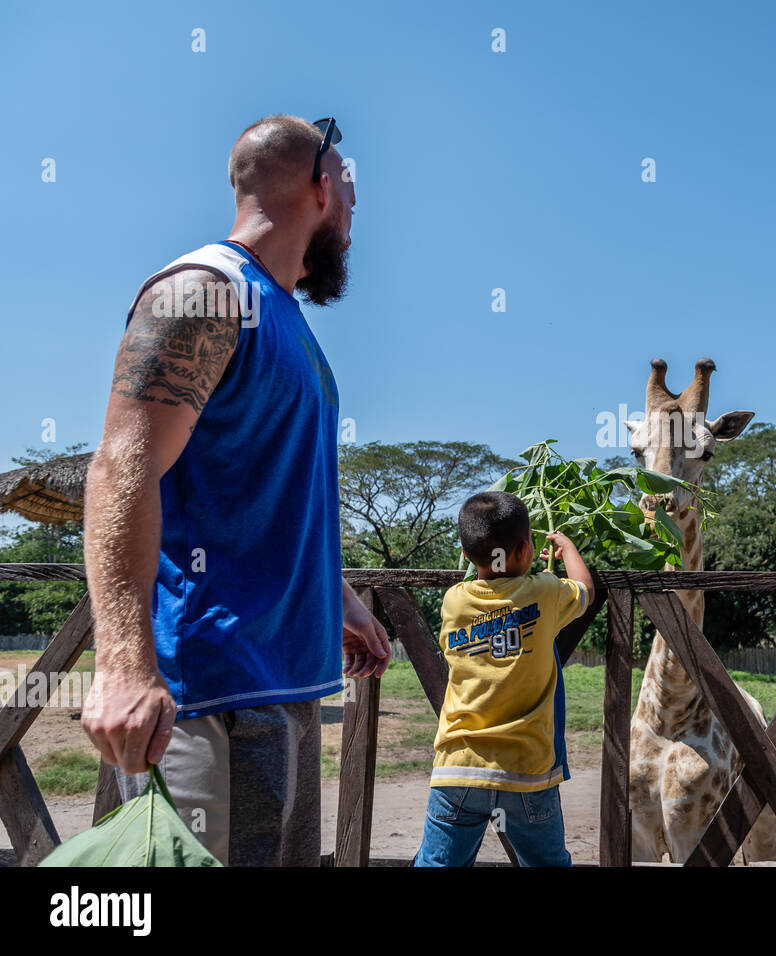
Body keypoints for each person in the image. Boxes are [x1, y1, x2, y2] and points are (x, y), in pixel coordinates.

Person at [80, 114, 391, 866]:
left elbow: (256, 488)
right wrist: (123, 664)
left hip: (283, 682)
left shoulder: (282, 314)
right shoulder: (205, 292)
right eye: (351, 195)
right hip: (207, 691)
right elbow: (122, 469)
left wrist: (334, 594)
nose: (354, 219)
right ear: (321, 188)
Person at [415, 492, 593, 867]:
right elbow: (585, 592)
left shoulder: (453, 602)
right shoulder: (545, 592)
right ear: (527, 548)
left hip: (457, 770)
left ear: (465, 554)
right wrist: (567, 548)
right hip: (527, 773)